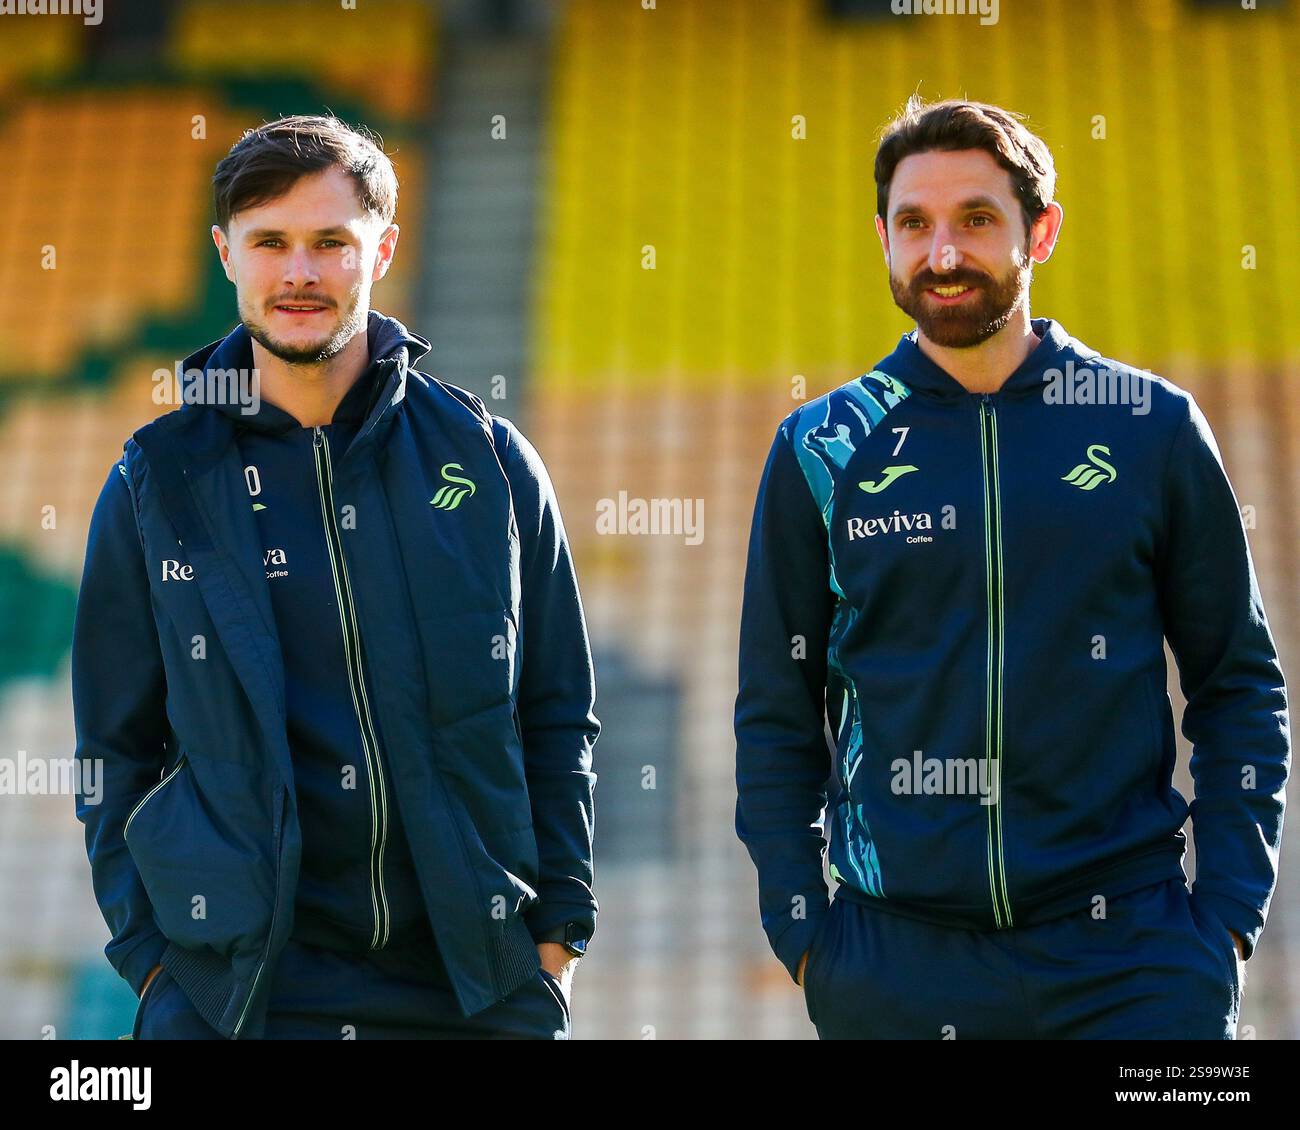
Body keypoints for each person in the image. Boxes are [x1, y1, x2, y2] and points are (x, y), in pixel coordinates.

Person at [734, 96, 1290, 1039]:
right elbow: (776, 711)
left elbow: (1238, 684)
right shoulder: (820, 448)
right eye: (915, 224)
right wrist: (804, 931)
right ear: (884, 237)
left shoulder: (1148, 427)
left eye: (977, 220)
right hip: (895, 965)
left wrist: (1225, 922)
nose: (943, 253)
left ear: (1042, 230)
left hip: (1134, 961)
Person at [72, 115, 600, 1039]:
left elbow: (556, 709)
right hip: (238, 992)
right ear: (225, 253)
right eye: (269, 242)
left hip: (474, 982)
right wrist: (155, 963)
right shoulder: (157, 483)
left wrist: (553, 939)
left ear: (383, 248)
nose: (299, 274)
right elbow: (114, 751)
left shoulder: (488, 462)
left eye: (331, 243)